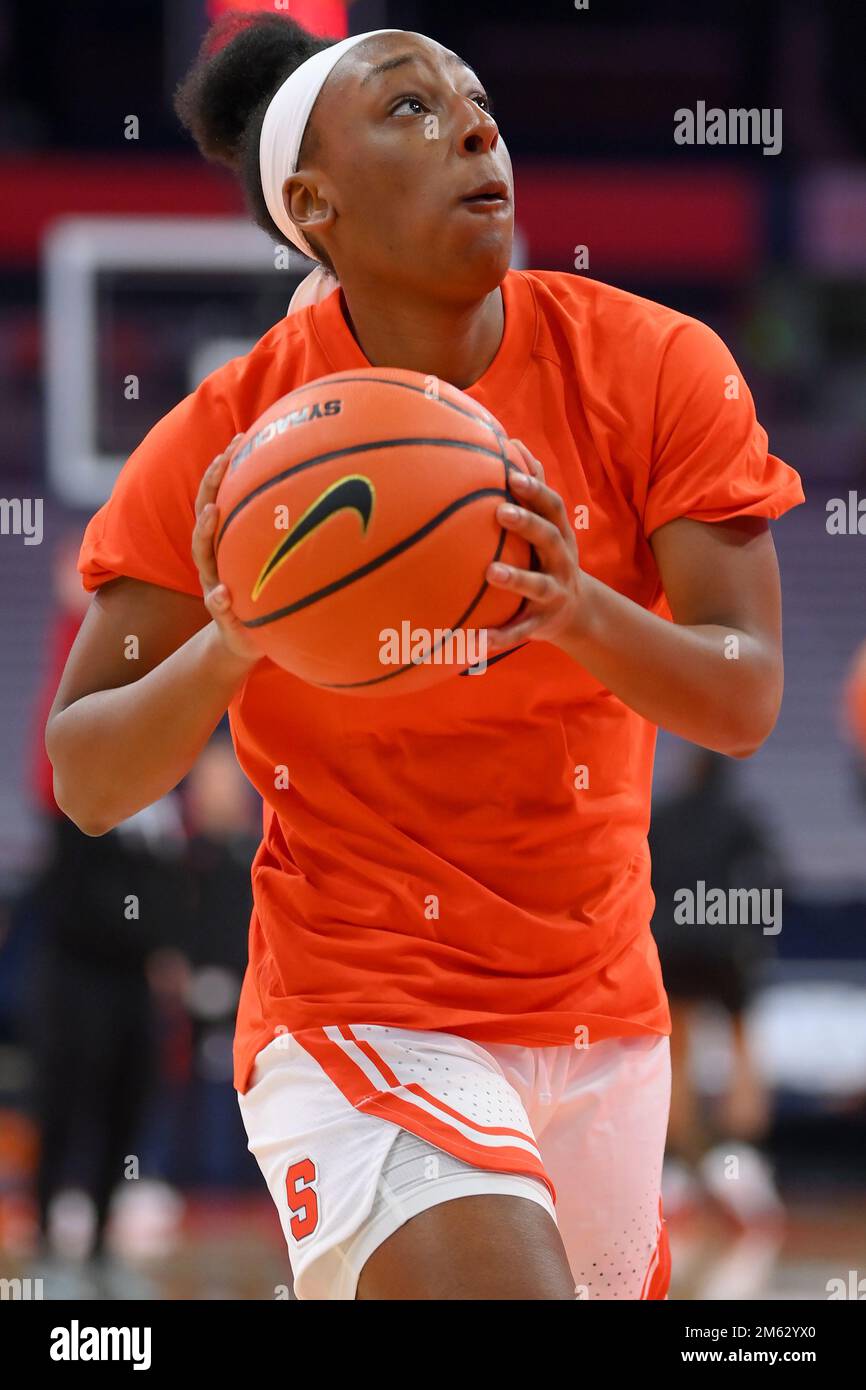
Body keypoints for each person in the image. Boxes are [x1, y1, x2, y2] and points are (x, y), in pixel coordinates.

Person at [45, 15, 804, 1301]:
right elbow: (88, 775)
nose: (474, 125)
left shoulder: (655, 364)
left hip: (599, 1013)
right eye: (408, 107)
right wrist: (234, 638)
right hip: (358, 1005)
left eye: (476, 101)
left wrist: (576, 609)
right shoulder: (224, 445)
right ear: (312, 204)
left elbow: (741, 696)